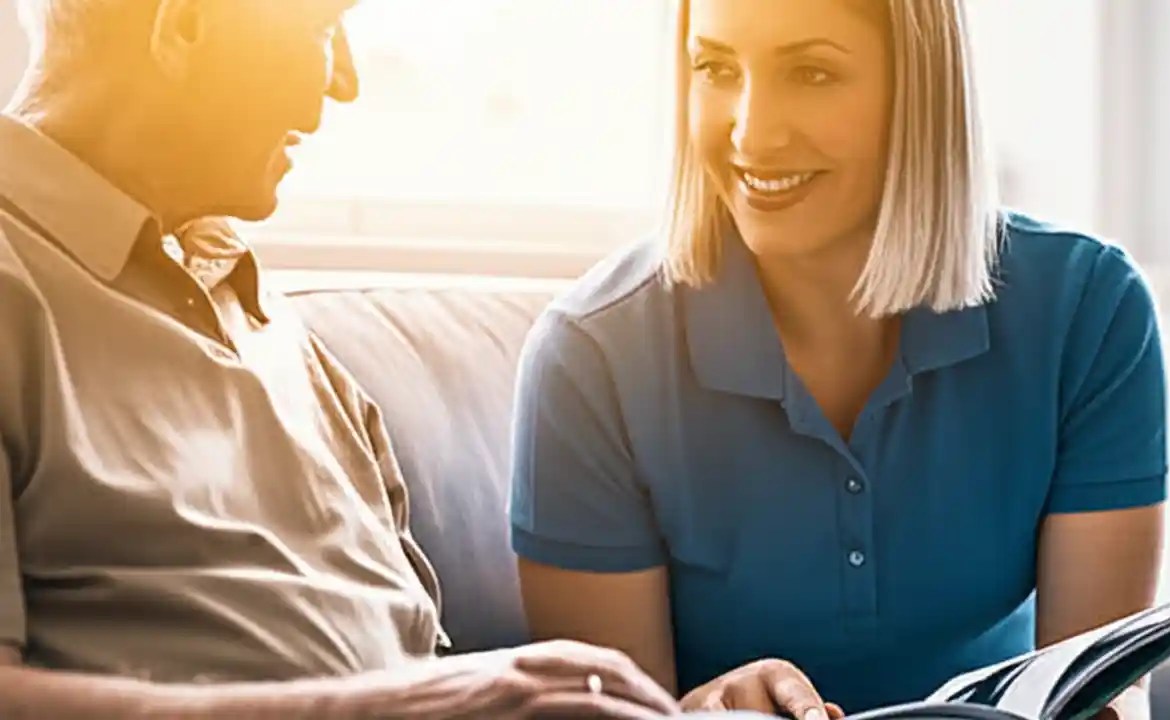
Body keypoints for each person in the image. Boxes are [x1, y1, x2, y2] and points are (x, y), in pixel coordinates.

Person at [0, 1, 711, 717]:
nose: (345, 82)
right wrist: (380, 707)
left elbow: (423, 666)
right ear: (183, 24)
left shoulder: (268, 322)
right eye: (321, 29)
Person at [509, 1, 1165, 719]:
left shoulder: (1088, 311)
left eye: (812, 72)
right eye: (716, 68)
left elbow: (1105, 693)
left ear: (922, 92)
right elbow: (608, 713)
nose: (751, 132)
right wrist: (699, 710)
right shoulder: (591, 358)